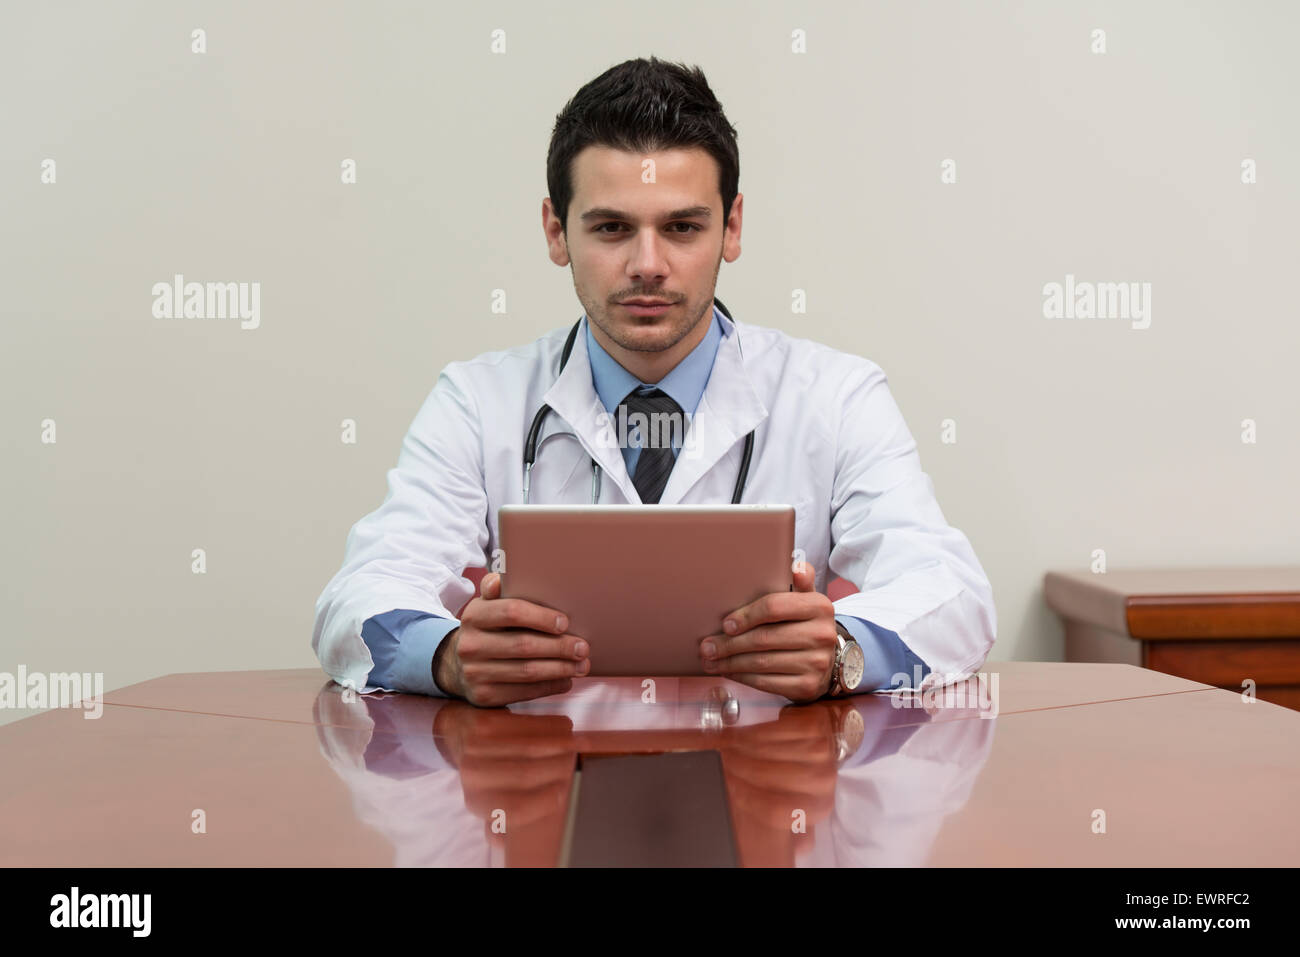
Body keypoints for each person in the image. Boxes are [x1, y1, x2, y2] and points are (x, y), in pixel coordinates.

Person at [312, 56, 996, 708]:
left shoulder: (836, 396)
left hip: (762, 785)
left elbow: (952, 593)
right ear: (556, 232)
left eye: (682, 227)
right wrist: (449, 657)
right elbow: (360, 593)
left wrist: (842, 651)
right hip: (542, 787)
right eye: (612, 227)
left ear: (731, 228)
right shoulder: (477, 402)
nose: (648, 264)